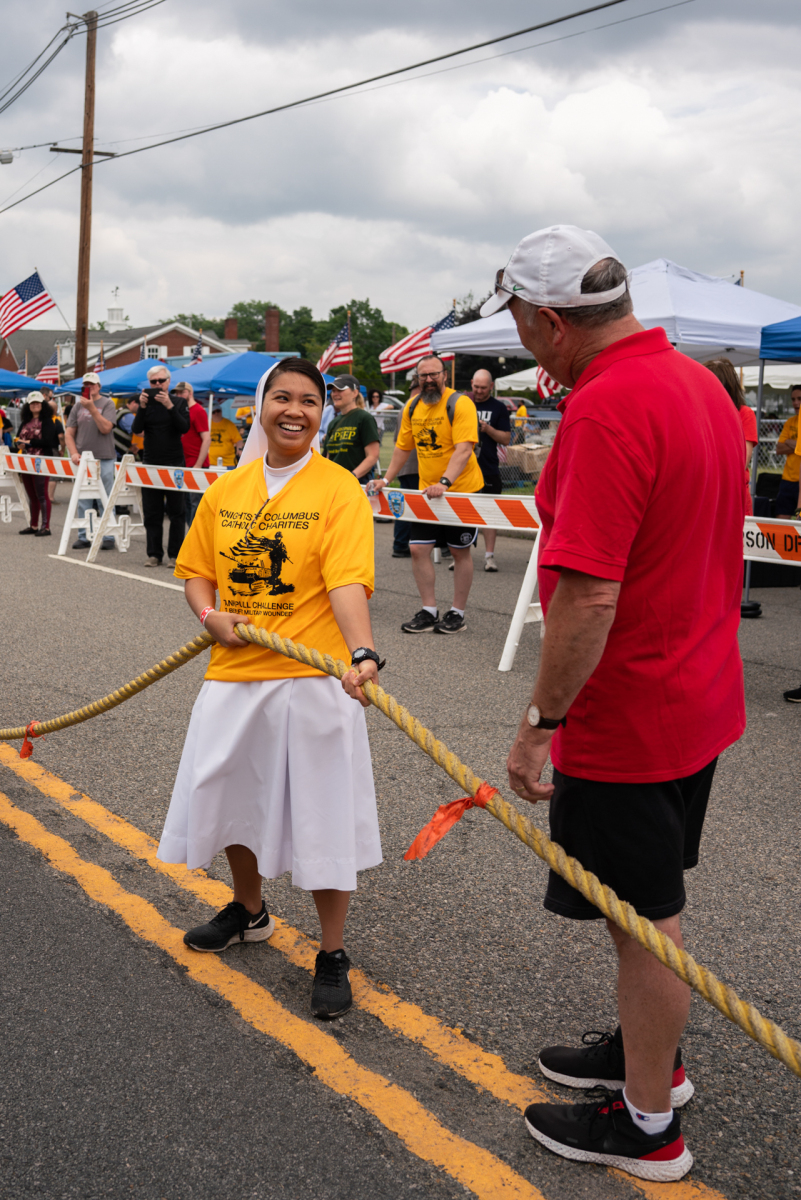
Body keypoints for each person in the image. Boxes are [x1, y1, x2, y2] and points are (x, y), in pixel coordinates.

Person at [482, 225, 745, 1181]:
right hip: (697, 692)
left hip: (632, 711)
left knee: (644, 919)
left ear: (551, 322)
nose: (514, 336)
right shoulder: (696, 384)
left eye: (516, 318)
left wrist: (537, 727)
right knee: (643, 904)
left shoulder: (606, 407)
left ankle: (646, 1128)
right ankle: (653, 1066)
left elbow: (591, 594)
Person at [158, 358, 382, 1020]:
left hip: (312, 679)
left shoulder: (339, 488)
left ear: (323, 412)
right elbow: (197, 571)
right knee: (230, 799)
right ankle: (249, 911)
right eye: (281, 397)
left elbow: (347, 581)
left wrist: (362, 650)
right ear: (259, 406)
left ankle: (332, 950)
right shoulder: (227, 489)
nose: (294, 410)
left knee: (322, 819)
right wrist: (208, 615)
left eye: (309, 401)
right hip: (234, 674)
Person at [376, 355, 483, 634]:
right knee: (418, 548)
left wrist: (446, 482)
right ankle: (429, 610)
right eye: (423, 376)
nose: (428, 380)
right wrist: (385, 478)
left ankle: (457, 613)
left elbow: (464, 449)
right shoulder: (411, 407)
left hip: (461, 491)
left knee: (460, 552)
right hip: (427, 492)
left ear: (444, 375)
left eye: (433, 374)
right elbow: (402, 448)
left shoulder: (460, 403)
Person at [134, 364, 190, 567]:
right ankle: (154, 554)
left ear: (168, 382)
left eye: (161, 381)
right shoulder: (146, 404)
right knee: (152, 511)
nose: (157, 385)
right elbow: (136, 428)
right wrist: (141, 407)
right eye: (153, 382)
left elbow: (184, 427)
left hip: (174, 462)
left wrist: (169, 406)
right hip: (150, 463)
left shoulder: (179, 402)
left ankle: (175, 555)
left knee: (177, 511)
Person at [65, 371, 117, 551]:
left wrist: (92, 408)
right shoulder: (77, 406)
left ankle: (108, 534)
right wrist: (73, 452)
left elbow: (106, 428)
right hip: (83, 459)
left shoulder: (108, 403)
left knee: (106, 497)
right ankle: (84, 535)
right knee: (83, 497)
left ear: (99, 386)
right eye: (86, 385)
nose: (90, 387)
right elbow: (69, 433)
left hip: (104, 456)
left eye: (93, 384)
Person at [470, 369, 511, 571]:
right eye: (476, 387)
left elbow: (505, 439)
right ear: (471, 384)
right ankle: (461, 554)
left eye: (483, 388)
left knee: (489, 512)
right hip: (464, 469)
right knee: (464, 512)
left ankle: (489, 557)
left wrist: (488, 429)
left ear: (491, 387)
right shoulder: (463, 404)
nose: (478, 391)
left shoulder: (499, 408)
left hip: (488, 466)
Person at [703, 358, 756, 513]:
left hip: (733, 497)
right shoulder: (701, 412)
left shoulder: (744, 414)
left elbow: (741, 462)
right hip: (706, 494)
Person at [15, 391, 64, 537]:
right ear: (28, 406)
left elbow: (48, 441)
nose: (35, 405)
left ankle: (46, 527)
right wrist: (19, 444)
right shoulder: (25, 422)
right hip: (26, 461)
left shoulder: (48, 421)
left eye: (38, 403)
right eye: (32, 403)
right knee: (31, 495)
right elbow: (18, 438)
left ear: (42, 404)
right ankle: (33, 525)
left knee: (42, 495)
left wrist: (28, 443)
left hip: (41, 460)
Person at [323, 374, 381, 481]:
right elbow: (328, 457)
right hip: (334, 483)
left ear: (355, 393)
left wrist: (351, 476)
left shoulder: (364, 418)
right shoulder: (333, 423)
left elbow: (373, 456)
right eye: (333, 390)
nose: (335, 394)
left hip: (357, 483)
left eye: (340, 390)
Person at [173, 381, 211, 527]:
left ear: (190, 393)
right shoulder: (181, 410)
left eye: (182, 392)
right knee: (186, 504)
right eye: (177, 393)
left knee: (196, 504)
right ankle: (190, 537)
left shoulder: (198, 410)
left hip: (196, 464)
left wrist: (198, 465)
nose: (179, 395)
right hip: (183, 464)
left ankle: (194, 538)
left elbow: (206, 439)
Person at [773, 384, 801, 516]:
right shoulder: (790, 422)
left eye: (799, 399)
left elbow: (785, 445)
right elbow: (779, 448)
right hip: (788, 480)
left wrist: (790, 442)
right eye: (793, 399)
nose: (796, 403)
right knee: (781, 520)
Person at [209, 401, 243, 468]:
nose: (216, 413)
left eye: (218, 411)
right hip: (210, 462)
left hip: (228, 462)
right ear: (210, 413)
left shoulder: (229, 424)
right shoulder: (207, 423)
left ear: (221, 411)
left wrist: (239, 450)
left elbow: (238, 440)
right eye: (213, 412)